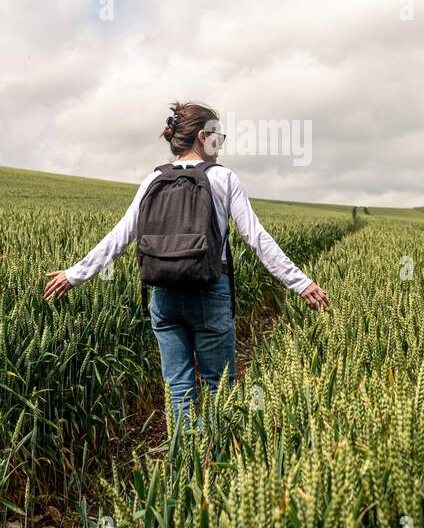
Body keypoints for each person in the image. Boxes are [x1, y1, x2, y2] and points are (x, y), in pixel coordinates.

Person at [43, 101, 330, 419]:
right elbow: (256, 238)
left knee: (177, 391)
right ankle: (217, 465)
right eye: (218, 136)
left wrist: (75, 275)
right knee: (218, 389)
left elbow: (120, 236)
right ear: (202, 136)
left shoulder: (153, 179)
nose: (220, 144)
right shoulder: (223, 179)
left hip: (163, 295)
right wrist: (300, 283)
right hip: (210, 291)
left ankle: (183, 463)